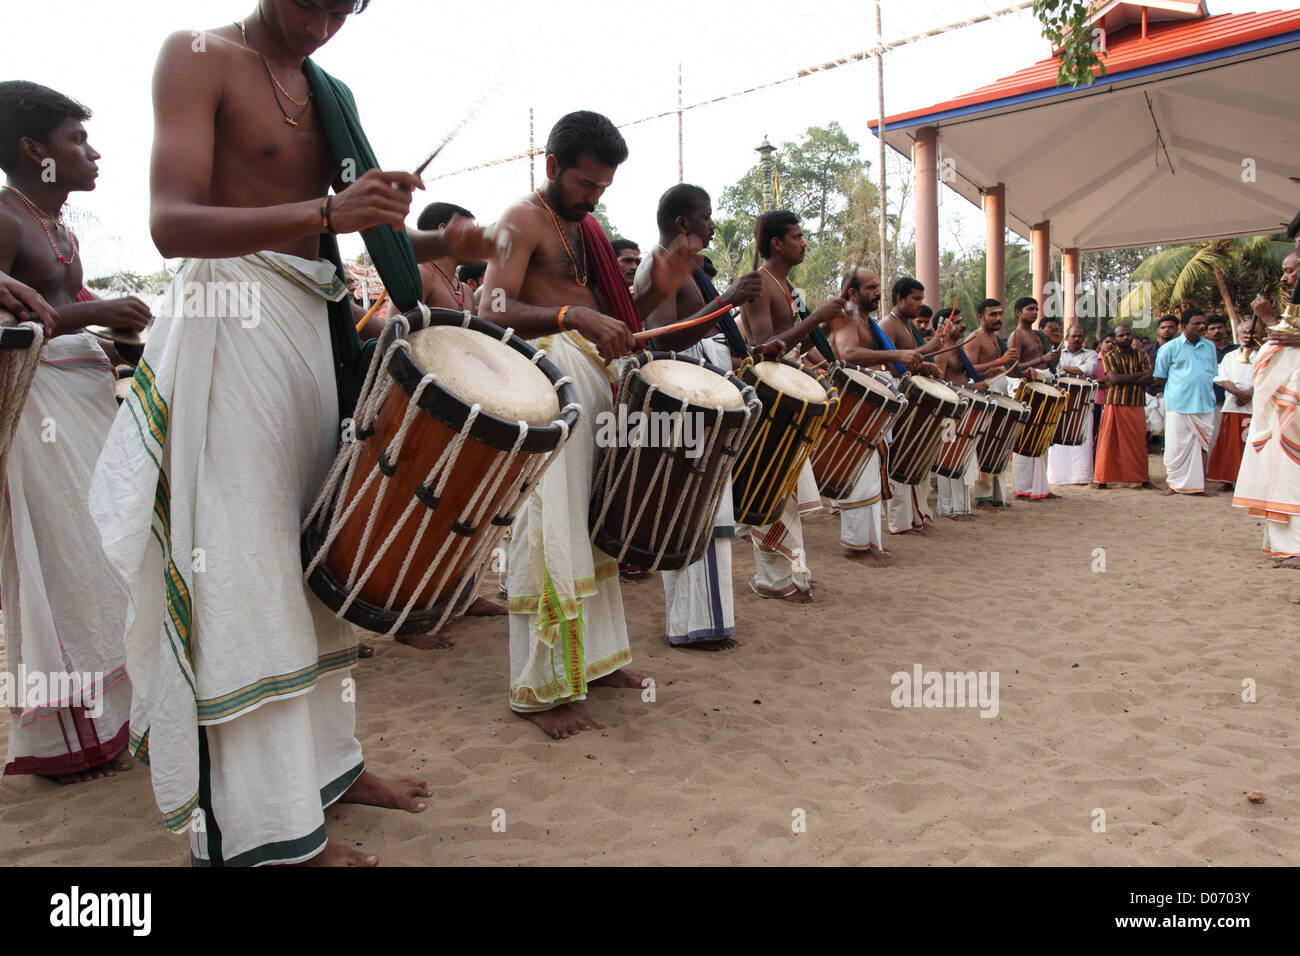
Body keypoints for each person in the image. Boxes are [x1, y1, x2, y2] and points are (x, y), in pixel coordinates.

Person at [88, 2, 502, 865]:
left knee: (314, 563)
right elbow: (172, 222)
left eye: (343, 7)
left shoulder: (329, 88)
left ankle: (330, 770)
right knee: (248, 575)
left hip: (313, 334)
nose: (322, 23)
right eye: (310, 1)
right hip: (229, 328)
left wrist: (436, 239)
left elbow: (334, 230)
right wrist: (329, 208)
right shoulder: (196, 54)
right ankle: (271, 826)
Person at [481, 110, 695, 734]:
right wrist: (572, 316)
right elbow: (489, 307)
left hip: (592, 385)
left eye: (603, 187)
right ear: (551, 167)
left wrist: (659, 291)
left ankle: (596, 662)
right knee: (548, 533)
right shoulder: (520, 220)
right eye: (585, 185)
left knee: (589, 530)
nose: (594, 197)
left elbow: (616, 322)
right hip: (547, 394)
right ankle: (539, 688)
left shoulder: (589, 228)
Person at [0, 81, 147, 783]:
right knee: (66, 562)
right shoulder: (3, 219)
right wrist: (99, 312)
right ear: (34, 150)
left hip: (81, 400)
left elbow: (59, 303)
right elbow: (17, 326)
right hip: (37, 412)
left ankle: (115, 721)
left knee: (104, 553)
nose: (92, 153)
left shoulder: (60, 226)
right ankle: (66, 744)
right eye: (76, 140)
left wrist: (112, 325)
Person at [637, 183, 761, 648]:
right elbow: (662, 340)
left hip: (710, 407)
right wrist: (727, 299)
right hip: (685, 406)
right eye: (706, 216)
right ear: (682, 224)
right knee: (692, 516)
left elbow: (706, 334)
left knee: (711, 517)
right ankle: (692, 625)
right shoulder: (659, 266)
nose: (713, 224)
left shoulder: (690, 272)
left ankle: (707, 621)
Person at [736, 210, 845, 601]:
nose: (804, 243)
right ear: (777, 243)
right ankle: (774, 581)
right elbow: (766, 346)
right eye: (797, 236)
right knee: (771, 489)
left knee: (785, 492)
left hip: (788, 397)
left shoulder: (784, 285)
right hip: (769, 398)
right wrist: (817, 317)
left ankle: (789, 574)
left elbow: (795, 342)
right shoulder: (759, 284)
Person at [828, 266, 925, 563]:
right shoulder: (848, 316)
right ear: (853, 293)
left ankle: (870, 542)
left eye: (877, 286)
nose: (877, 292)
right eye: (870, 287)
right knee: (861, 476)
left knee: (872, 473)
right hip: (856, 407)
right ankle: (857, 546)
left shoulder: (868, 321)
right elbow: (848, 354)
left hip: (873, 406)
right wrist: (896, 355)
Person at [1234, 244, 1300, 567]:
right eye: (1284, 272)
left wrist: (1269, 318)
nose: (1285, 278)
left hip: (1293, 408)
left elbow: (1289, 343)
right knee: (1283, 473)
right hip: (1281, 411)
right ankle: (1288, 545)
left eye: (1291, 270)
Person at [878, 275, 948, 533]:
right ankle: (899, 522)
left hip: (911, 398)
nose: (920, 304)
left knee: (914, 458)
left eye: (922, 299)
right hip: (898, 397)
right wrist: (931, 346)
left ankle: (916, 516)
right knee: (899, 459)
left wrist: (927, 366)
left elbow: (911, 361)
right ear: (900, 299)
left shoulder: (905, 325)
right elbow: (887, 365)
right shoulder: (888, 325)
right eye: (916, 299)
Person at [964, 298, 1020, 510]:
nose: (998, 318)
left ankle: (997, 496)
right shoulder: (974, 339)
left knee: (999, 443)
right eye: (992, 314)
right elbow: (970, 370)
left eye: (1000, 314)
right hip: (985, 395)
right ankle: (983, 498)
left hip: (1000, 393)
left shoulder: (995, 338)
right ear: (981, 317)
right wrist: (999, 362)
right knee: (986, 444)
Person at [1154, 309, 1217, 495]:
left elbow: (1212, 373)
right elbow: (1160, 377)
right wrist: (1180, 389)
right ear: (1184, 327)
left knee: (1202, 445)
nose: (1202, 326)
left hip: (1205, 404)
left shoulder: (1210, 347)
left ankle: (1199, 486)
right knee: (1177, 447)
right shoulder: (1169, 348)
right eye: (1196, 323)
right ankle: (1174, 485)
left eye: (1203, 323)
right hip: (1178, 405)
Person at [932, 306, 984, 520]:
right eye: (958, 322)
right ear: (945, 325)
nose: (963, 325)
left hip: (963, 408)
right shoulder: (942, 351)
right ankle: (947, 508)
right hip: (948, 411)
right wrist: (972, 388)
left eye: (963, 321)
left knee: (961, 457)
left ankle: (962, 508)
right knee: (947, 458)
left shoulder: (958, 348)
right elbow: (939, 384)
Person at [1005, 297, 1059, 500]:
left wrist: (1052, 354)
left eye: (1036, 309)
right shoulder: (1016, 336)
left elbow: (1049, 361)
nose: (1035, 312)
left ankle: (1041, 487)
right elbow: (1014, 367)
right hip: (1026, 388)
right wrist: (1042, 360)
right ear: (1018, 313)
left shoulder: (1038, 335)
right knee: (1025, 436)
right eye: (1030, 309)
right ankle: (1023, 488)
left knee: (1041, 434)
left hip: (1043, 386)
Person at [1092, 324, 1154, 489]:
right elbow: (1113, 380)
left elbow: (1150, 378)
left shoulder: (1142, 355)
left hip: (1136, 403)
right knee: (1108, 443)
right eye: (1121, 335)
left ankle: (1142, 478)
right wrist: (1140, 374)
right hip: (1115, 403)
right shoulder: (1109, 356)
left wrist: (1124, 378)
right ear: (1115, 339)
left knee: (1138, 443)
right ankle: (1101, 480)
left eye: (1128, 334)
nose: (1126, 338)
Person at [1207, 316, 1257, 491]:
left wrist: (1250, 393)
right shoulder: (1230, 356)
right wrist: (1238, 393)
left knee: (1251, 446)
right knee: (1229, 446)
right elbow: (1223, 378)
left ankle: (1250, 482)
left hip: (1255, 409)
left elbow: (1266, 377)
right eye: (1244, 332)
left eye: (1252, 332)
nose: (1248, 335)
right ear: (1238, 333)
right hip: (1232, 407)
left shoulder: (1264, 354)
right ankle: (1228, 480)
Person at [1047, 324, 1099, 486]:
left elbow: (1089, 370)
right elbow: (1053, 372)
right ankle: (1058, 477)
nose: (1077, 339)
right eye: (1073, 336)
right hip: (1060, 400)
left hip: (1083, 402)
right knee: (1058, 439)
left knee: (1082, 438)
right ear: (1067, 337)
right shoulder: (1057, 353)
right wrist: (1074, 370)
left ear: (1084, 337)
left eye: (1079, 336)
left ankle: (1081, 477)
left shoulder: (1091, 354)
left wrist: (1064, 368)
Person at [1143, 314, 1179, 446]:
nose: (1166, 330)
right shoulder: (1146, 351)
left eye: (1170, 327)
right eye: (1163, 327)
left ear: (1176, 329)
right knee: (1151, 428)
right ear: (1158, 330)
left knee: (1174, 430)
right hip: (1151, 395)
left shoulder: (1182, 349)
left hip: (1175, 395)